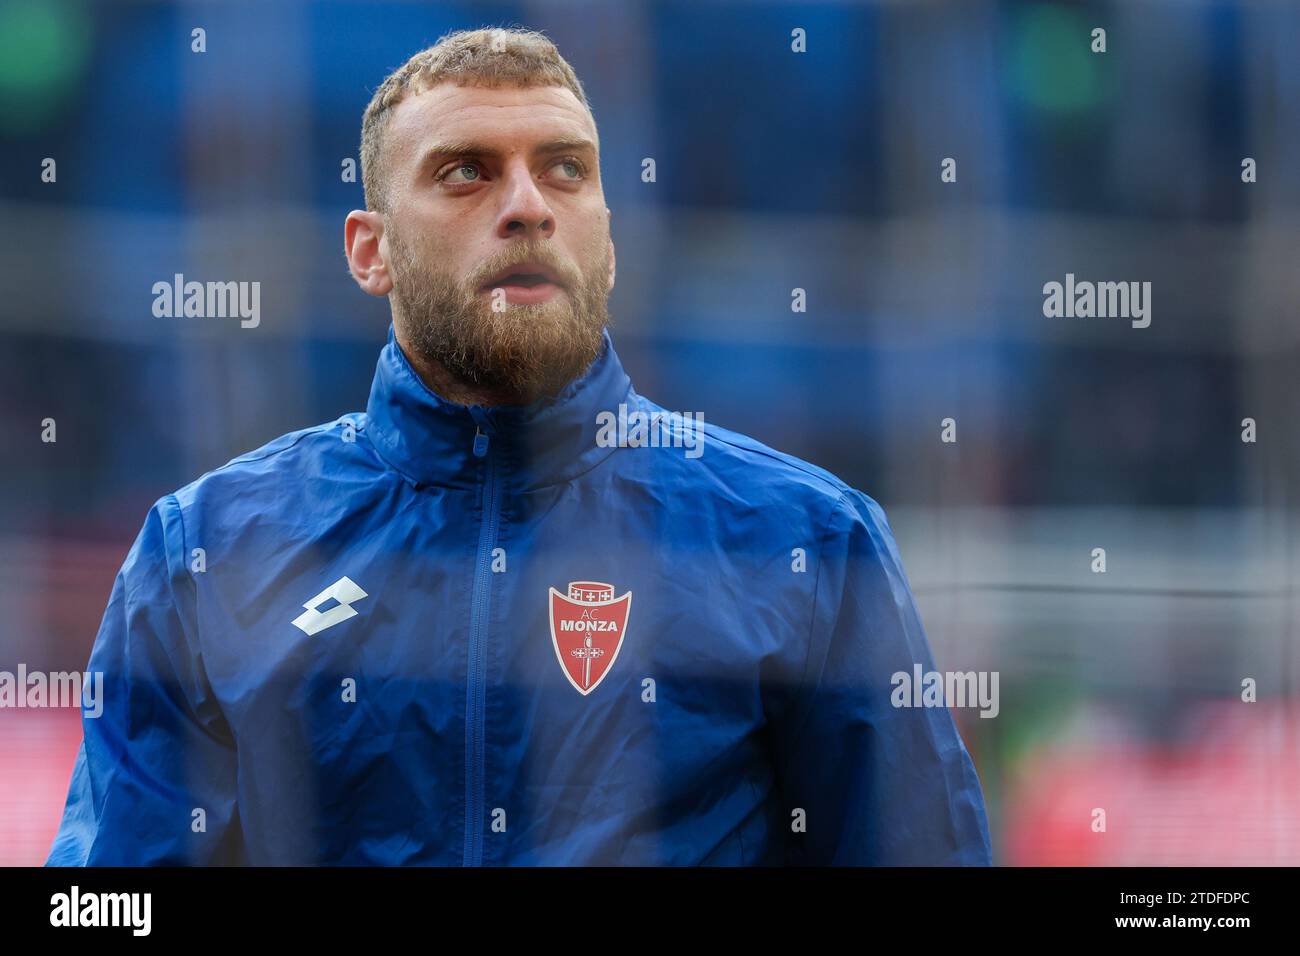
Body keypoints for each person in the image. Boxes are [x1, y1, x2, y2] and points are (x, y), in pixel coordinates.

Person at [46, 26, 991, 866]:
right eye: (468, 171)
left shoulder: (809, 543)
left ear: (609, 242)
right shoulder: (207, 552)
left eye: (566, 170)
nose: (530, 205)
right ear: (369, 250)